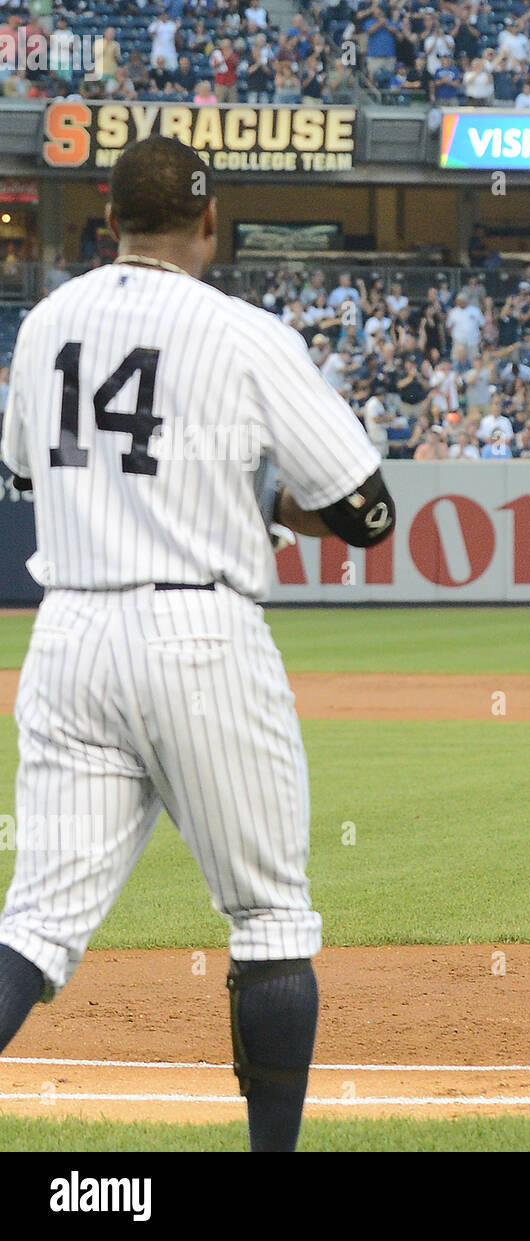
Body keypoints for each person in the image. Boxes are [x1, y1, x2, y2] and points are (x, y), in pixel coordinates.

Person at [0, 137, 396, 1152]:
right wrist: (265, 502)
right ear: (210, 223)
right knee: (268, 920)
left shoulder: (46, 322)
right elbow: (367, 513)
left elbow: (29, 477)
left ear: (108, 217)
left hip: (70, 632)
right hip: (199, 633)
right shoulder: (241, 331)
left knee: (32, 927)